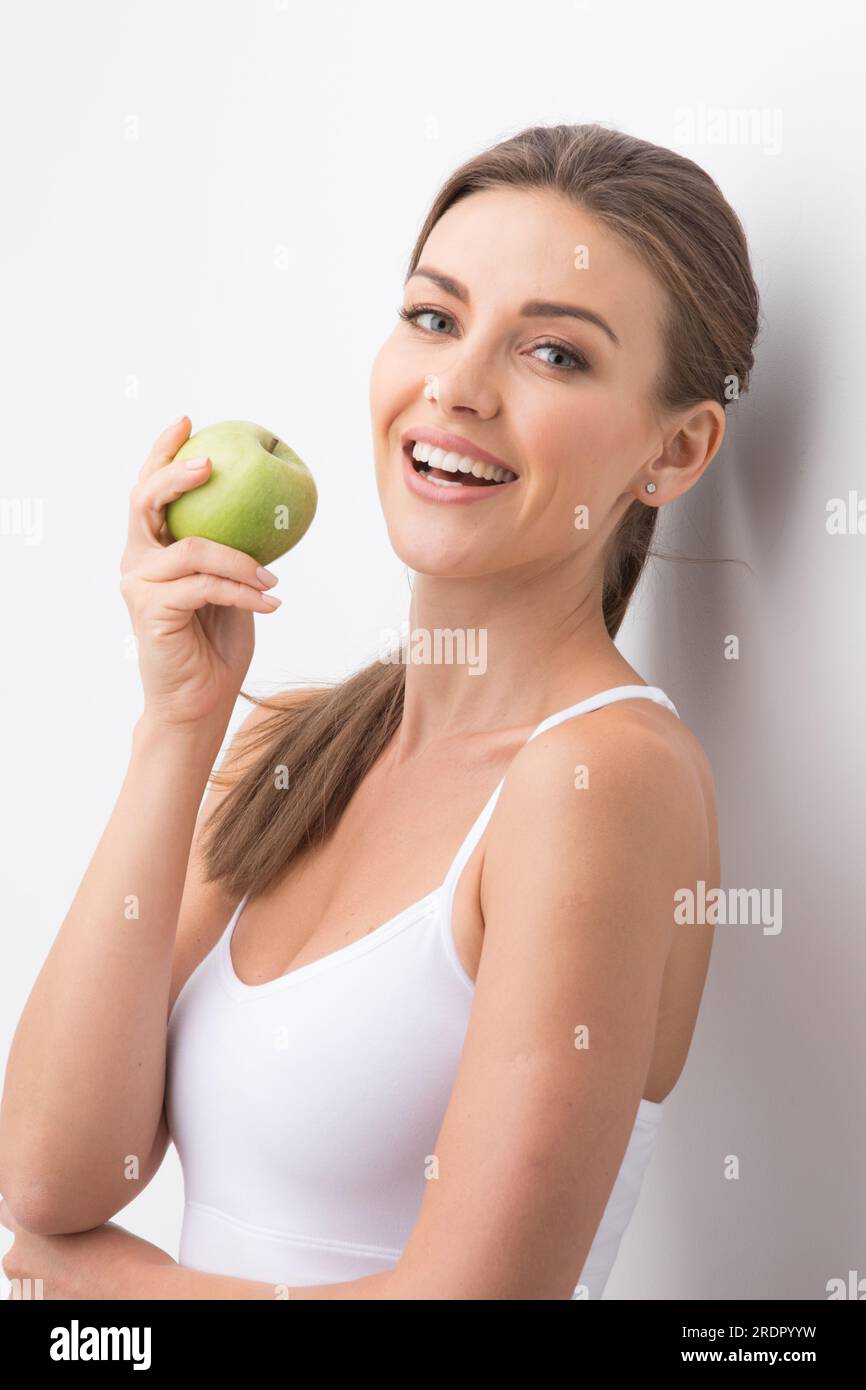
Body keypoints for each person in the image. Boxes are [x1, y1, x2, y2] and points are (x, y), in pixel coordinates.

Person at [0, 122, 759, 1300]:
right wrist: (176, 728)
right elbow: (50, 1178)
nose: (453, 387)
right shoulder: (292, 744)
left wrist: (106, 1290)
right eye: (433, 317)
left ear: (674, 448)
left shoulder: (599, 778)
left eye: (552, 355)